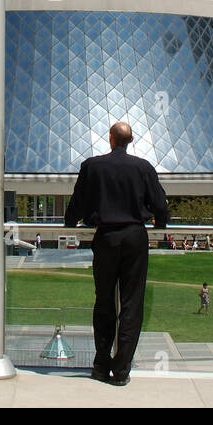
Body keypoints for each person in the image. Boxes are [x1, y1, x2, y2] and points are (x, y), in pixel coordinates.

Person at [65, 121, 169, 387]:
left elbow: (77, 201)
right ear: (131, 140)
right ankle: (121, 369)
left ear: (110, 138)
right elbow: (159, 204)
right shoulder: (144, 168)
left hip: (106, 237)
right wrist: (160, 224)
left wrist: (69, 223)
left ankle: (101, 363)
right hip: (135, 237)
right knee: (132, 303)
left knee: (103, 300)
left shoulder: (92, 166)